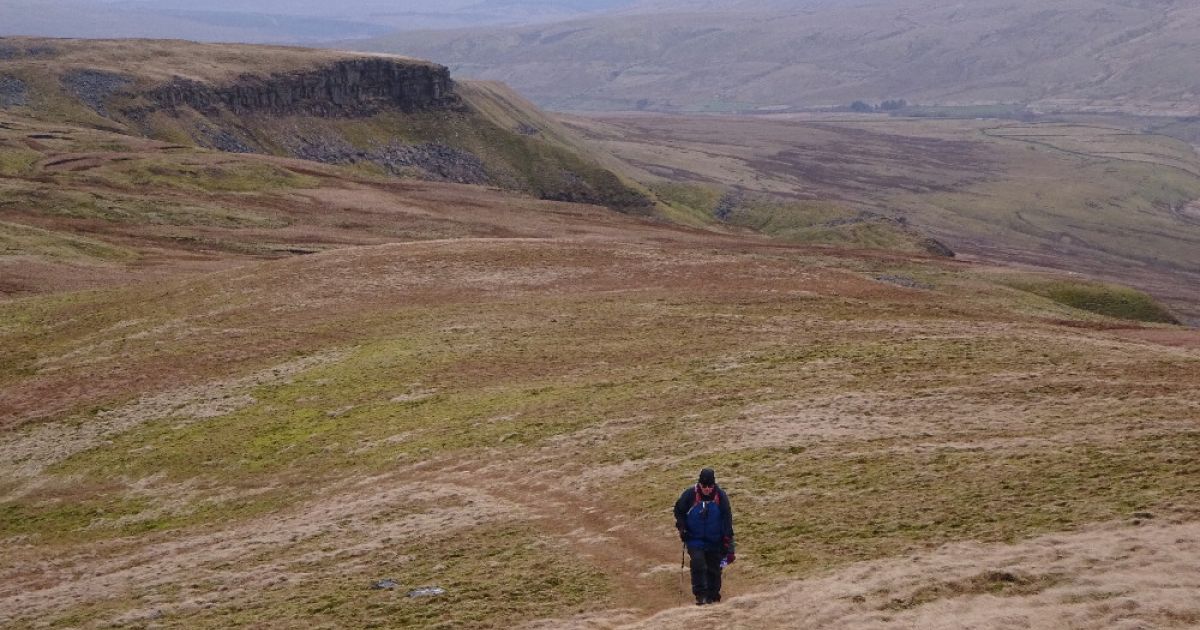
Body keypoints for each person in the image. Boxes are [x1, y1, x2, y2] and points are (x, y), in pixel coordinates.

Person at [674, 467, 735, 605]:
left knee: (715, 568)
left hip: (715, 541)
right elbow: (679, 511)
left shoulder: (721, 497)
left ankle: (713, 597)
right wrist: (682, 528)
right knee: (698, 563)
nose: (707, 489)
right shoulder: (690, 495)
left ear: (714, 484)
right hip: (694, 539)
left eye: (709, 486)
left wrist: (727, 541)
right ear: (699, 484)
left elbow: (727, 519)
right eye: (704, 485)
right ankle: (701, 596)